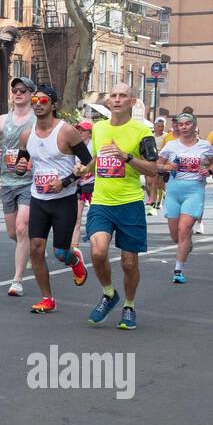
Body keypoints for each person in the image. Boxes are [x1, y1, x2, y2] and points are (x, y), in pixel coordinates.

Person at [85, 83, 156, 330]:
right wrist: (84, 169)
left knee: (129, 263)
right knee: (97, 251)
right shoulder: (98, 128)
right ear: (108, 102)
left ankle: (129, 305)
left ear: (132, 101)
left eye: (122, 96)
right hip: (101, 201)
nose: (116, 99)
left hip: (129, 203)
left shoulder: (142, 132)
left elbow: (153, 169)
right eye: (113, 95)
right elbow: (97, 156)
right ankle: (108, 293)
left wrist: (126, 157)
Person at [12, 85, 89, 312]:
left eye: (43, 100)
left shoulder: (66, 132)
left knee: (61, 253)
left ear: (53, 104)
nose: (37, 103)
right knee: (36, 247)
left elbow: (88, 162)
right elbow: (22, 163)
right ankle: (47, 298)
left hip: (64, 199)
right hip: (38, 198)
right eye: (34, 100)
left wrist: (65, 182)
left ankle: (74, 259)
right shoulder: (26, 134)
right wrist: (19, 167)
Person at [0, 76, 37, 296]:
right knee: (12, 232)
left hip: (29, 181)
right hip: (7, 180)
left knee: (22, 227)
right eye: (15, 90)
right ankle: (32, 249)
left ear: (31, 95)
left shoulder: (37, 119)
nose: (18, 94)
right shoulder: (2, 120)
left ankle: (17, 281)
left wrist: (32, 160)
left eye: (23, 91)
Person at [159, 113, 213, 283]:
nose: (184, 127)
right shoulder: (171, 145)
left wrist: (209, 171)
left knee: (184, 229)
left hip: (194, 191)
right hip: (173, 191)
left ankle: (178, 270)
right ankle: (186, 243)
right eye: (181, 124)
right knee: (175, 236)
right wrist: (168, 166)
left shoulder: (204, 146)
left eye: (187, 124)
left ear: (194, 126)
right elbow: (158, 165)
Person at [74, 121, 96, 243]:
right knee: (76, 219)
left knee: (94, 217)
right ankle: (74, 248)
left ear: (89, 133)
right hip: (79, 186)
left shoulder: (94, 145)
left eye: (83, 130)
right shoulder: (74, 146)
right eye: (79, 130)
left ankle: (96, 243)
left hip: (94, 185)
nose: (80, 132)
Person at [146, 117, 168, 215]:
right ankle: (152, 203)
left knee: (160, 183)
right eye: (158, 126)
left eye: (162, 126)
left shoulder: (166, 136)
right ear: (154, 126)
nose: (160, 128)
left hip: (162, 162)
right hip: (151, 162)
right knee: (149, 183)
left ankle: (158, 201)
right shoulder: (150, 136)